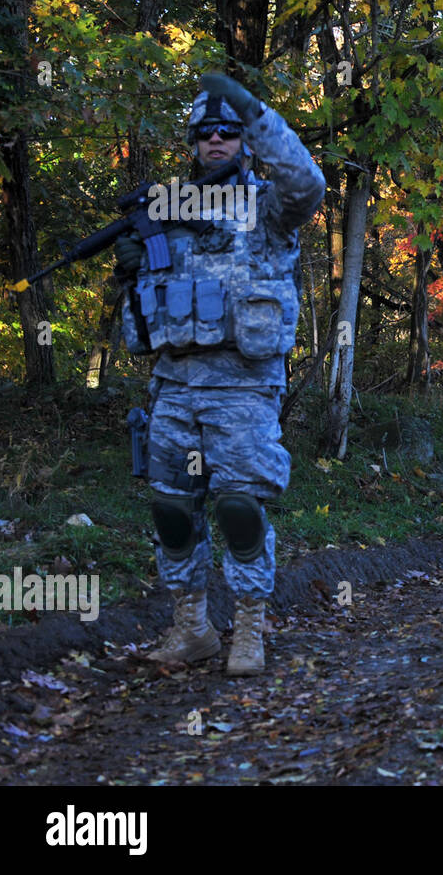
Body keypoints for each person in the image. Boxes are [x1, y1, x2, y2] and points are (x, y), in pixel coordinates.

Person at [113, 73, 325, 673]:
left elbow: (309, 182)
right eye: (205, 133)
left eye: (229, 132)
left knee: (238, 507)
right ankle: (193, 630)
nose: (216, 141)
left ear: (245, 141)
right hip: (175, 386)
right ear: (192, 143)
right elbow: (148, 305)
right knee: (173, 512)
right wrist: (131, 272)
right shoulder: (166, 212)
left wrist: (257, 111)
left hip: (245, 389)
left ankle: (250, 631)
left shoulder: (271, 208)